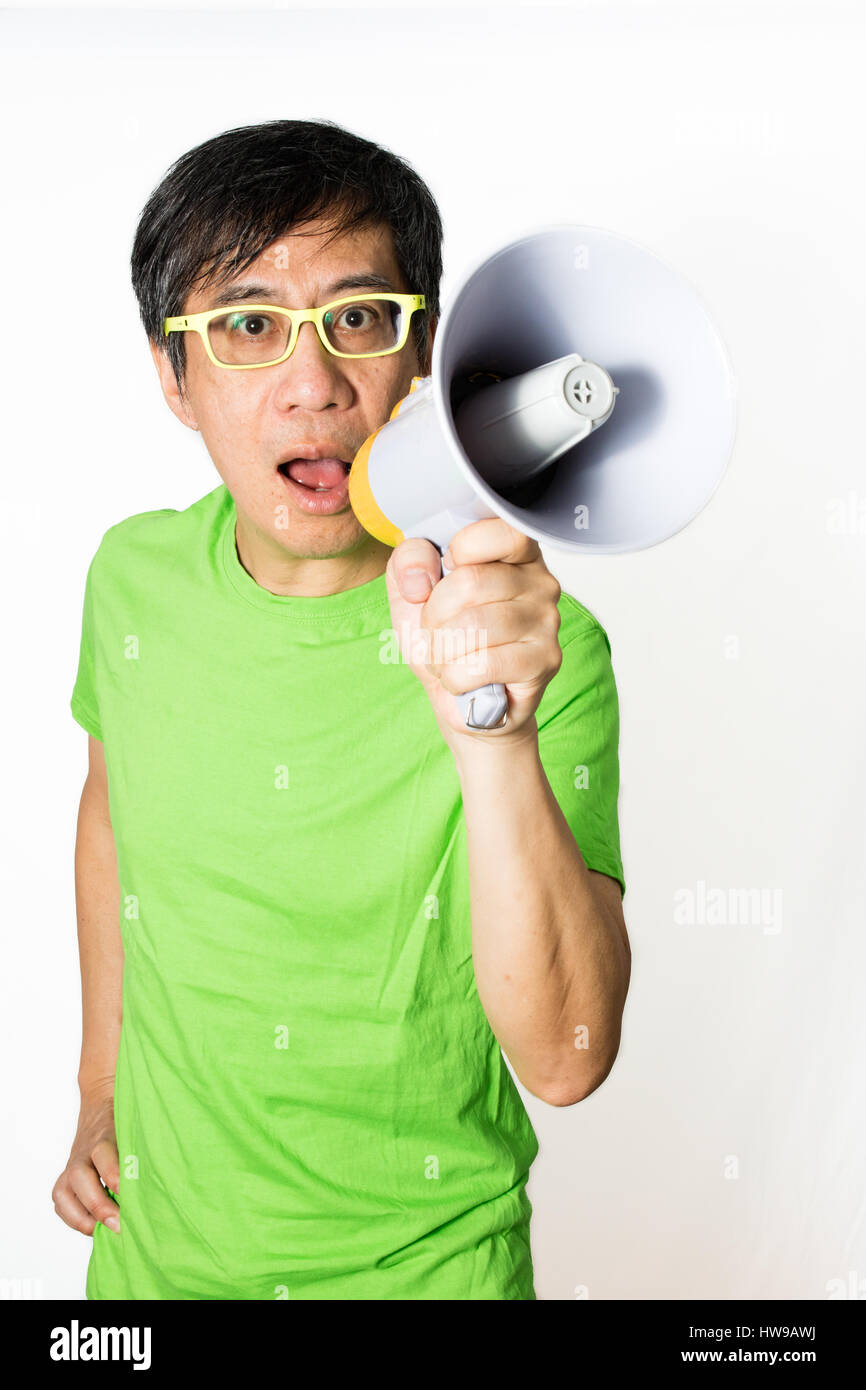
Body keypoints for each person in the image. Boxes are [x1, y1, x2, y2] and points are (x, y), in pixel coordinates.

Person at [52, 118, 631, 1301]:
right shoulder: (131, 578)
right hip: (152, 1273)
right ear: (174, 376)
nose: (312, 386)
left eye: (357, 319)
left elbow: (567, 1059)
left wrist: (494, 731)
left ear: (420, 355)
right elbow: (113, 816)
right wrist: (97, 1080)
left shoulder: (536, 638)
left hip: (429, 1275)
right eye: (248, 326)